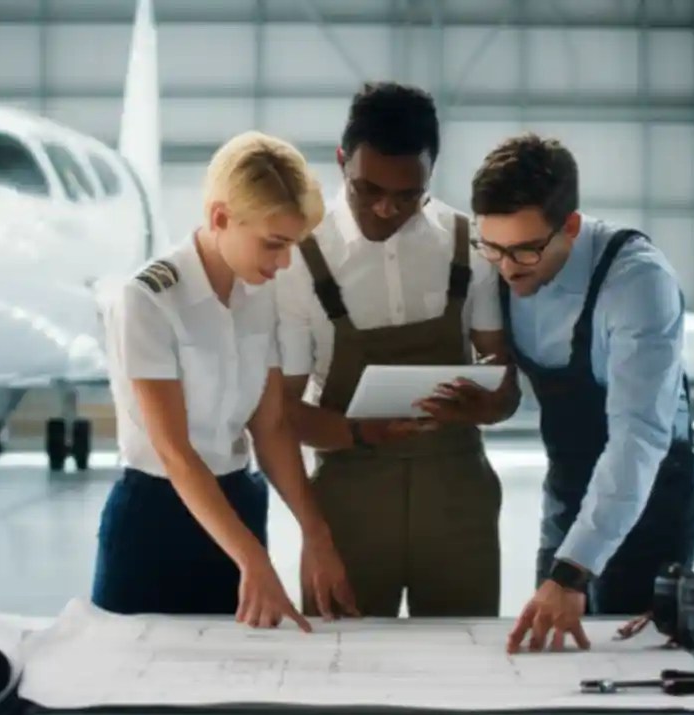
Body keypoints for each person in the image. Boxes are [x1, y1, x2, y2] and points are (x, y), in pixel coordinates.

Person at [91, 130, 359, 628]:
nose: (283, 263)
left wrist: (314, 533)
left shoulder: (262, 293)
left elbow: (272, 425)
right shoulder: (148, 300)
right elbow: (175, 452)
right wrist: (254, 560)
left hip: (238, 503)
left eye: (292, 247)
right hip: (155, 513)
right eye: (274, 244)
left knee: (234, 687)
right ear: (220, 218)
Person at [275, 82, 519, 618]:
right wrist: (360, 433)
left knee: (467, 667)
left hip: (458, 497)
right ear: (342, 163)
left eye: (409, 194)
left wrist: (490, 403)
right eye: (368, 189)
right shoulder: (299, 261)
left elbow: (504, 376)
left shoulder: (468, 245)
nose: (387, 208)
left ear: (432, 171)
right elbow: (285, 413)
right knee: (340, 677)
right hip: (348, 503)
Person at [465, 133, 694, 652]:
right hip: (567, 486)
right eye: (492, 248)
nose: (506, 268)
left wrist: (572, 574)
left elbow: (637, 438)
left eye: (526, 250)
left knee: (632, 664)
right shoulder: (500, 261)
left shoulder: (638, 283)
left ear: (569, 226)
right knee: (551, 654)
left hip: (651, 493)